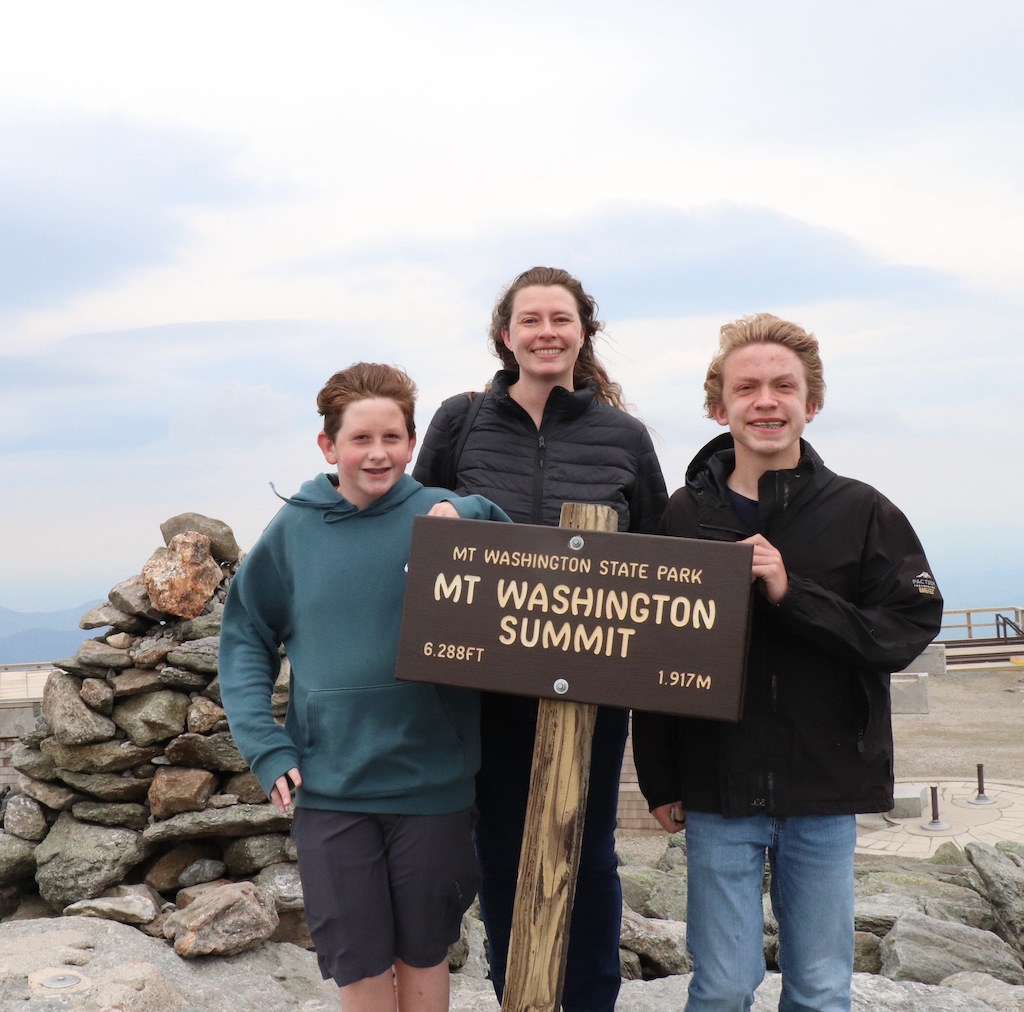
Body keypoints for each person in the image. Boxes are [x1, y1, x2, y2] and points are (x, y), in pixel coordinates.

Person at [632, 314, 943, 1012]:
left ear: (813, 402)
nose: (765, 400)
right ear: (720, 406)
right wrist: (659, 778)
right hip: (716, 790)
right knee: (721, 986)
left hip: (825, 788)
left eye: (783, 386)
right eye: (747, 388)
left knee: (822, 987)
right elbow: (650, 660)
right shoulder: (683, 516)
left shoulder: (863, 511)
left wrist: (789, 591)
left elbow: (906, 627)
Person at [413, 266, 668, 1012]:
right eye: (531, 320)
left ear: (583, 331)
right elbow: (414, 529)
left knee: (588, 853)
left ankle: (590, 1000)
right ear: (506, 336)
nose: (546, 332)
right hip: (484, 687)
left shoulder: (624, 436)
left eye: (561, 319)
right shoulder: (460, 421)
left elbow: (656, 555)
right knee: (498, 849)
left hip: (595, 686)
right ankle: (515, 996)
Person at [218, 362, 509, 1012]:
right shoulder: (295, 530)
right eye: (360, 439)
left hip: (432, 790)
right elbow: (244, 638)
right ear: (328, 446)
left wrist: (461, 509)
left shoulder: (444, 516)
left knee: (426, 955)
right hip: (331, 793)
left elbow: (507, 541)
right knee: (360, 964)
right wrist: (266, 745)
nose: (378, 453)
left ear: (411, 442)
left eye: (392, 438)